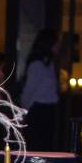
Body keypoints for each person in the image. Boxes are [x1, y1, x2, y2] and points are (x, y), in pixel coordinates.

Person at [20, 28, 60, 156]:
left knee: (43, 148)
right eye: (56, 43)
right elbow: (29, 91)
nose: (58, 46)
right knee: (38, 147)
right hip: (39, 111)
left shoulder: (48, 63)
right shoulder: (37, 64)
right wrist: (24, 111)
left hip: (46, 110)